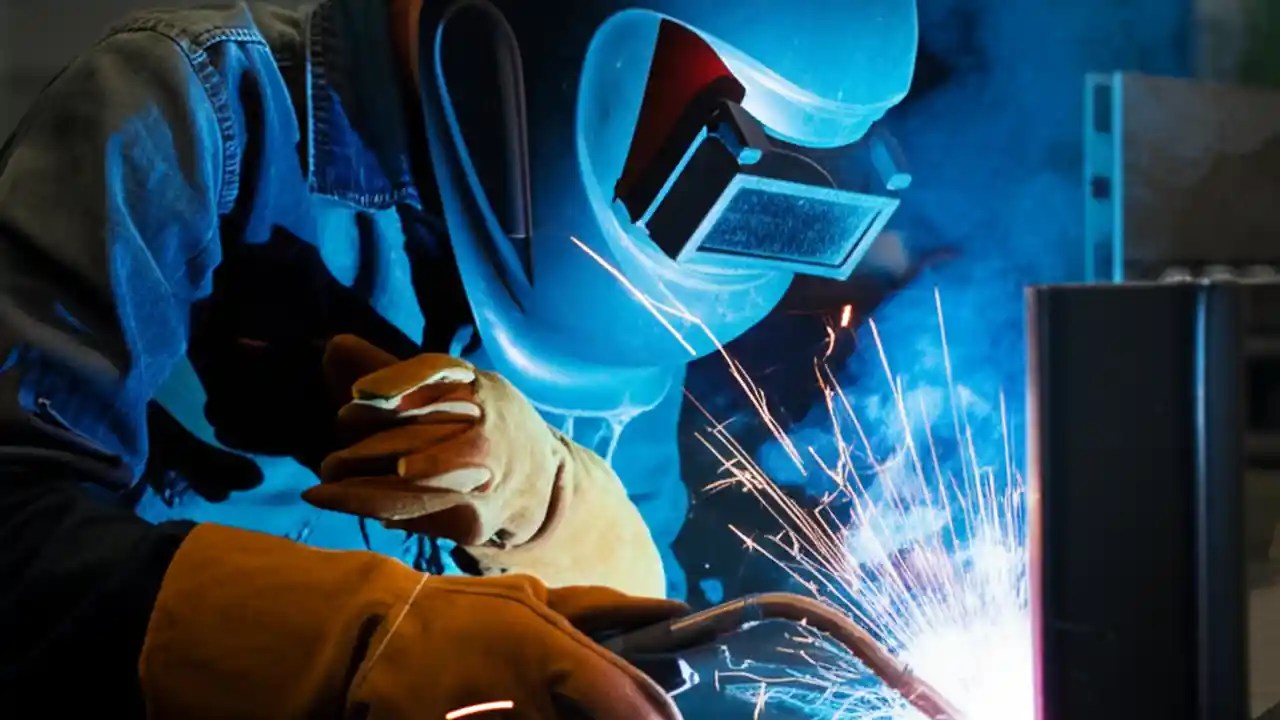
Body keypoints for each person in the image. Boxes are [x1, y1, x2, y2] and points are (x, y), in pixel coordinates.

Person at [0, 0, 919, 715]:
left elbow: (639, 642)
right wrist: (354, 648)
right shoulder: (197, 108)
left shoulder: (642, 279)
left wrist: (561, 518)